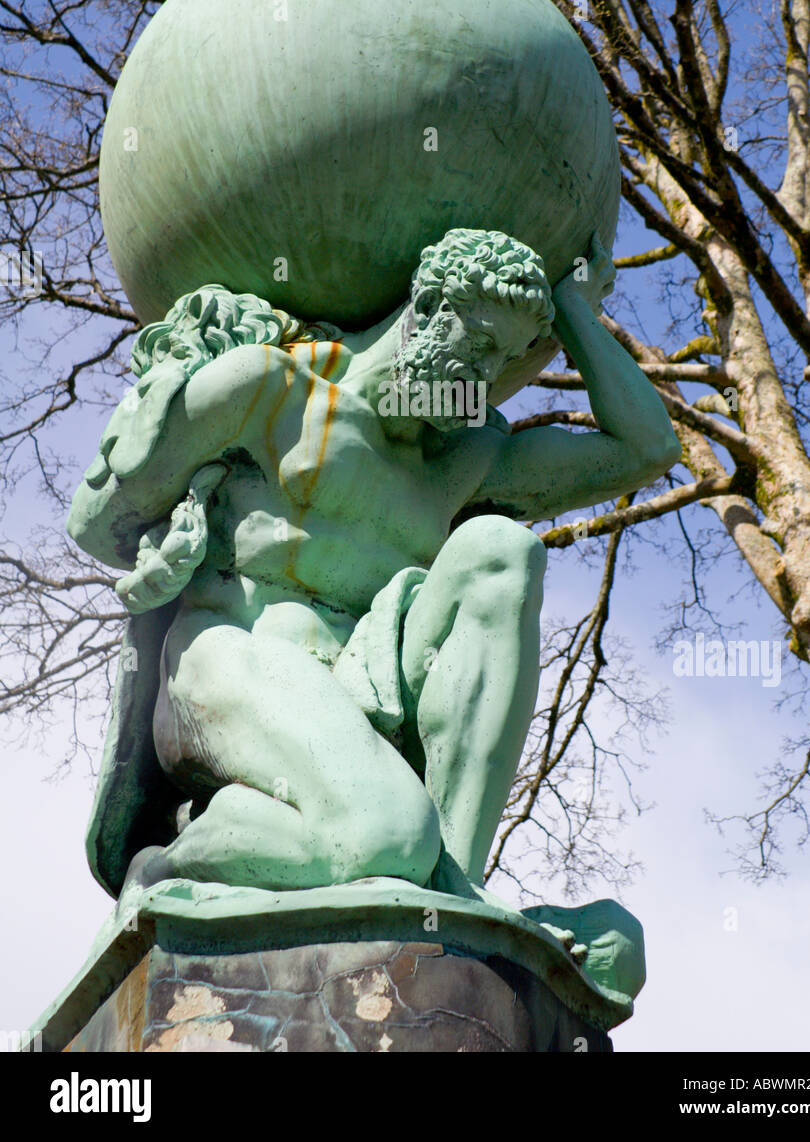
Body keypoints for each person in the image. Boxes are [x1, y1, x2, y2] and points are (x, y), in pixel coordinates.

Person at [69, 228, 680, 899]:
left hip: (367, 677)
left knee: (502, 552)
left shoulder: (463, 462)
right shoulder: (269, 392)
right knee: (388, 836)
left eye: (504, 358)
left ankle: (451, 891)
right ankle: (168, 866)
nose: (483, 376)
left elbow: (646, 449)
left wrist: (571, 312)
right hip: (233, 658)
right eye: (477, 343)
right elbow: (98, 525)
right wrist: (170, 519)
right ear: (422, 308)